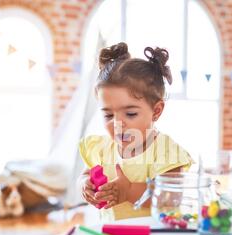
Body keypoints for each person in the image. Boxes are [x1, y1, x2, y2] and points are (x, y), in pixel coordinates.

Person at [78, 42, 194, 221]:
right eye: (108, 115)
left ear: (156, 111)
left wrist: (129, 190)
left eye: (130, 113)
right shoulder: (102, 147)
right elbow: (86, 174)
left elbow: (171, 198)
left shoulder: (165, 151)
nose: (117, 124)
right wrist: (85, 185)